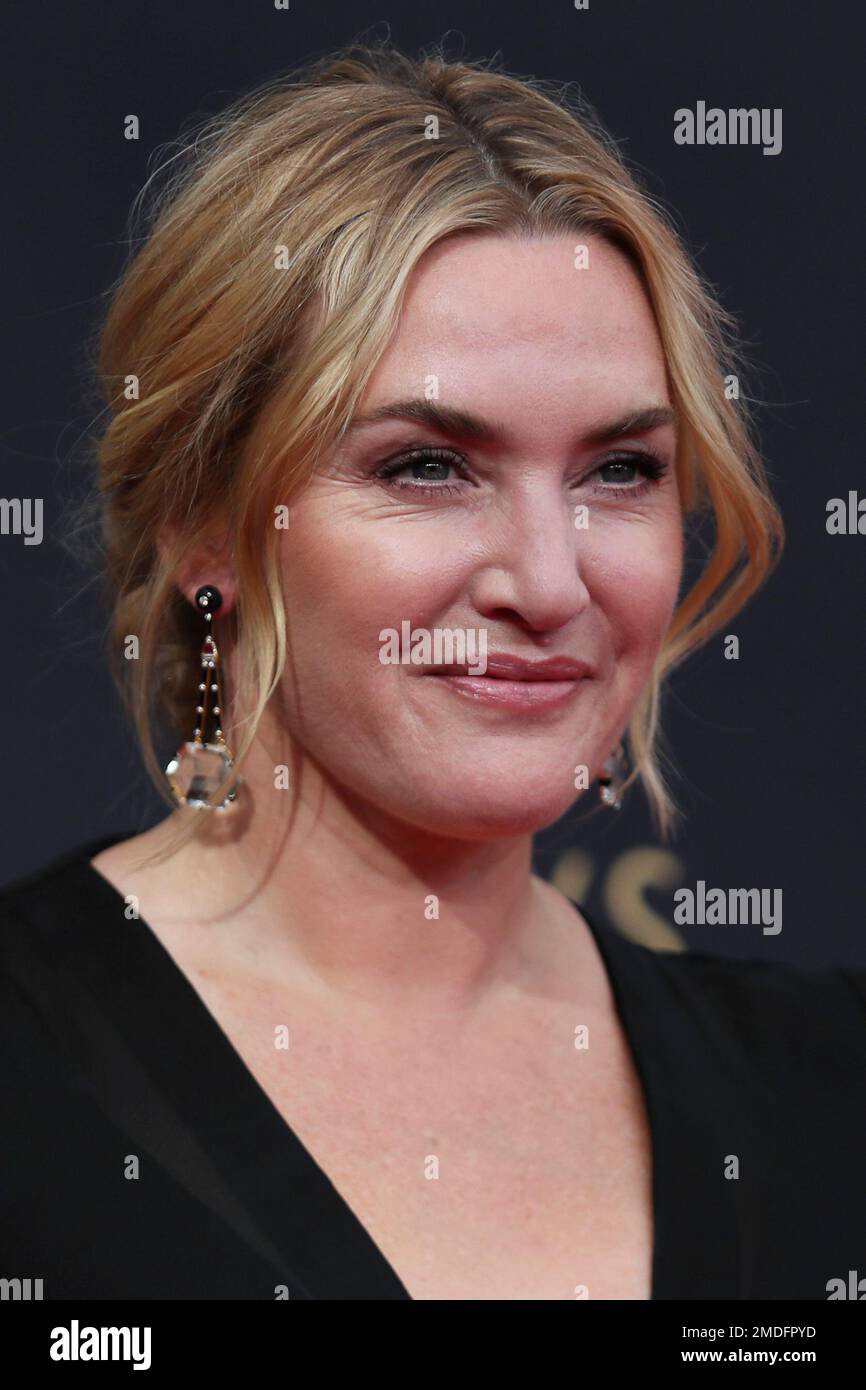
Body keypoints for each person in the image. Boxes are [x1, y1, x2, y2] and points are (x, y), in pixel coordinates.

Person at [1, 40, 863, 1302]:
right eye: (426, 467)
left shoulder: (826, 1089)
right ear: (206, 529)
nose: (550, 580)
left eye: (618, 471)